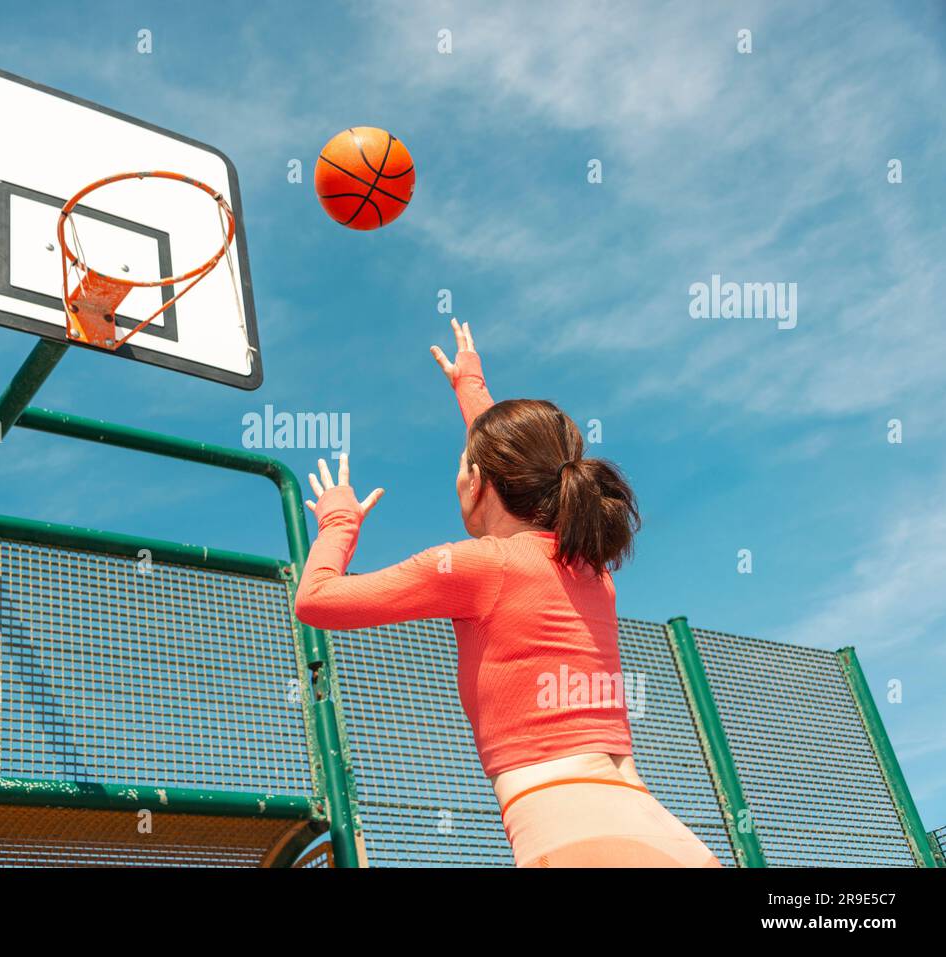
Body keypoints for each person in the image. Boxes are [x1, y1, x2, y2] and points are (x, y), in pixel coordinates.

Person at [294, 319, 721, 868]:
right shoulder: (589, 565)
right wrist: (470, 387)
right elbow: (524, 469)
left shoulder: (475, 566)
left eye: (461, 470)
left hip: (579, 845)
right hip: (669, 840)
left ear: (475, 482)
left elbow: (316, 600)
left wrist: (338, 523)